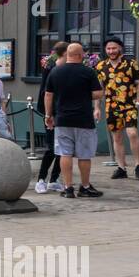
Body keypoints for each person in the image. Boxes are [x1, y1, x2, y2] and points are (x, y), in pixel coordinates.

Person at [43, 42, 105, 199]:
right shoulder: (88, 72)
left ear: (67, 54)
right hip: (83, 119)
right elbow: (98, 94)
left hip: (63, 119)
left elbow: (48, 95)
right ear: (80, 55)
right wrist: (84, 93)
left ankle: (68, 187)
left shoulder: (55, 72)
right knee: (84, 155)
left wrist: (48, 115)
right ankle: (84, 186)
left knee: (65, 153)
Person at [97, 37, 139, 180]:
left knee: (132, 133)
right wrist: (97, 108)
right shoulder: (101, 66)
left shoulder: (131, 64)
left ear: (120, 48)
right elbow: (100, 89)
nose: (111, 51)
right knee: (117, 137)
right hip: (111, 107)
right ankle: (121, 168)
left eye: (114, 48)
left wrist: (138, 102)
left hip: (129, 105)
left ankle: (138, 166)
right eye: (109, 49)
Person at [35, 41, 68, 194]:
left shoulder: (66, 68)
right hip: (53, 112)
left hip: (65, 112)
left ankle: (54, 179)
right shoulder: (51, 69)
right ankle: (41, 179)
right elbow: (47, 93)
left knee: (63, 150)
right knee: (51, 147)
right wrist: (49, 114)